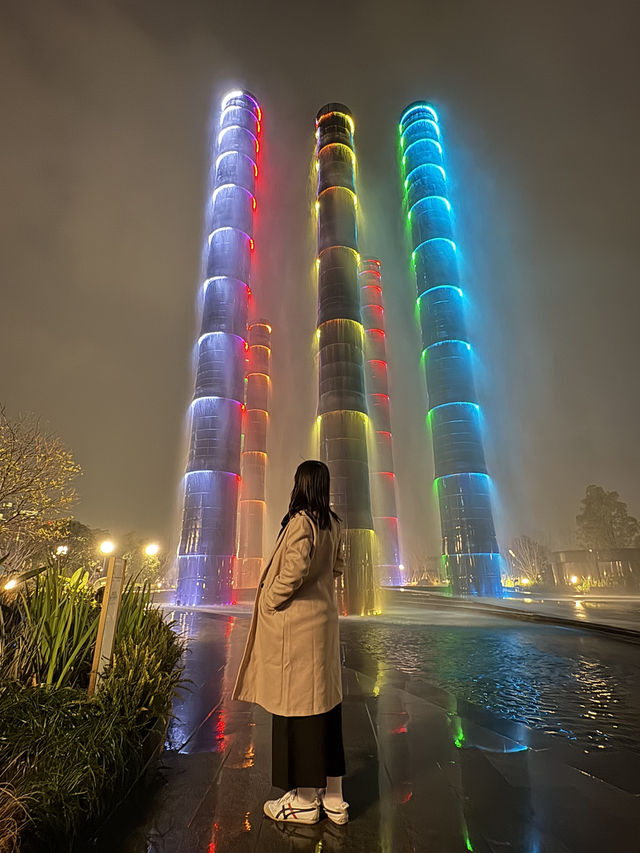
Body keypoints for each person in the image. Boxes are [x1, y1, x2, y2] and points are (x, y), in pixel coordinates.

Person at [232, 460, 349, 825]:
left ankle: (302, 800)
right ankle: (334, 798)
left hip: (297, 630)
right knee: (325, 707)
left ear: (301, 484)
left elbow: (295, 570)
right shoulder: (333, 524)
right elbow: (337, 568)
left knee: (298, 711)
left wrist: (270, 599)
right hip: (322, 626)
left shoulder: (302, 521)